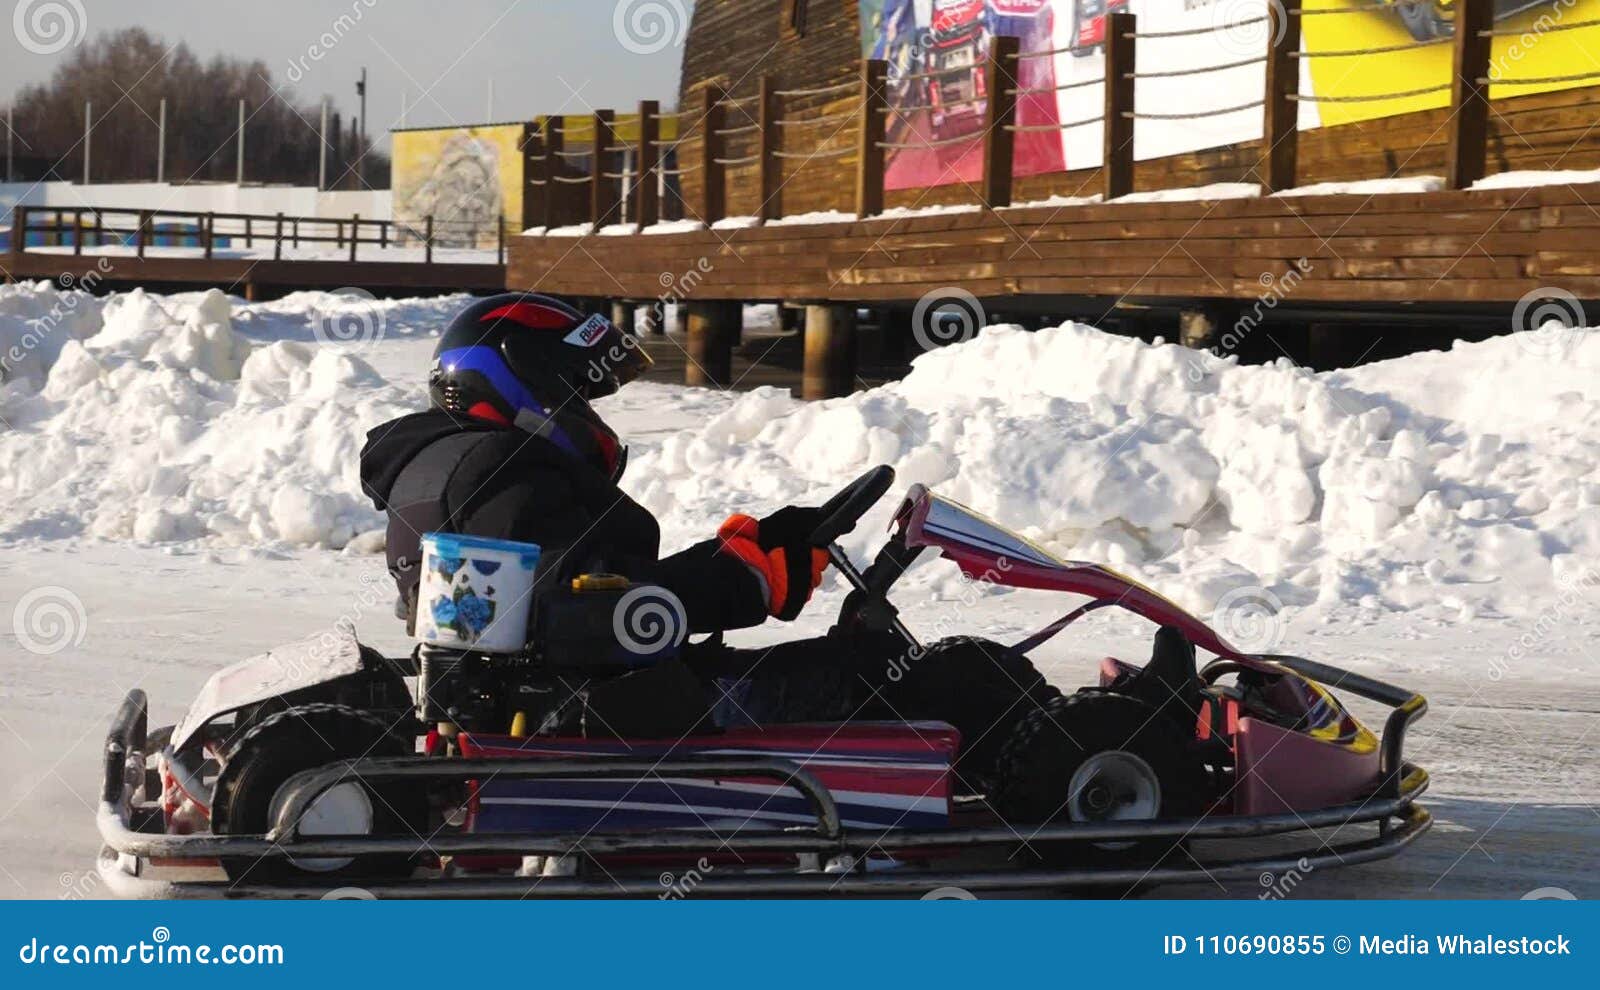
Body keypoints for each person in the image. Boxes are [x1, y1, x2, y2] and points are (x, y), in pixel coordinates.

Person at [360, 293, 1055, 785]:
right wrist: (740, 579)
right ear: (524, 380)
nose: (588, 414)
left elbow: (567, 597)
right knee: (915, 677)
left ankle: (1078, 743)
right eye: (577, 393)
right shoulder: (498, 467)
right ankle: (1086, 762)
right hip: (599, 728)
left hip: (583, 705)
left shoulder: (447, 464)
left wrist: (752, 556)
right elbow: (575, 619)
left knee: (877, 662)